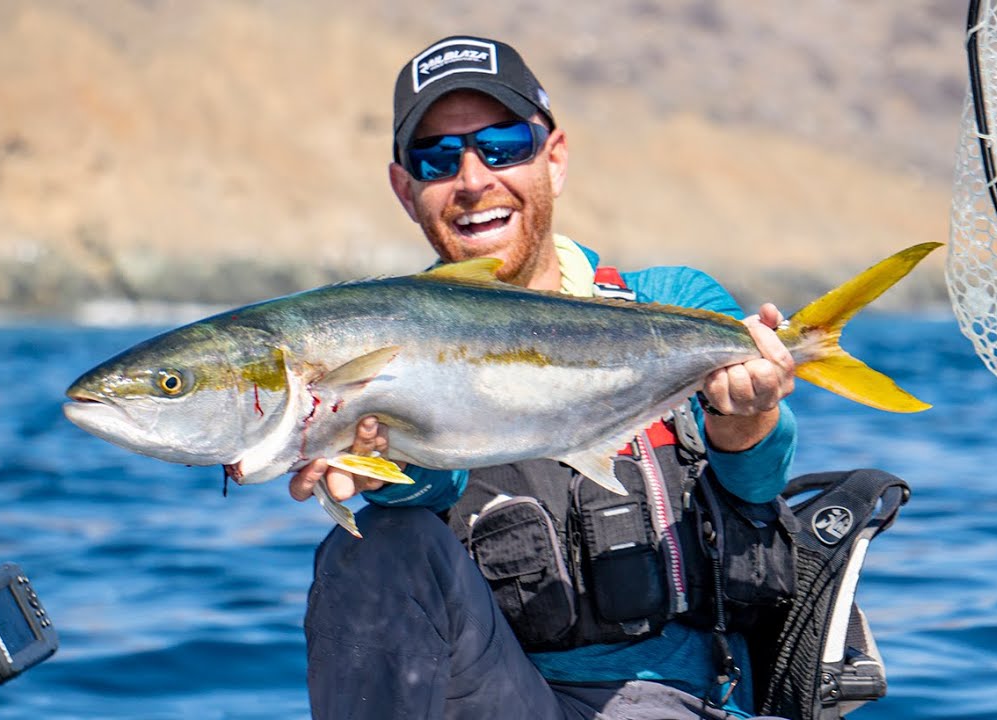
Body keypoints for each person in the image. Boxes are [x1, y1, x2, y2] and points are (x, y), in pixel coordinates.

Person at [289, 35, 798, 720]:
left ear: (553, 159)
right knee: (371, 548)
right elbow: (439, 489)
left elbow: (758, 485)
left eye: (502, 145)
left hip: (669, 697)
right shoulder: (388, 340)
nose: (473, 180)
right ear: (405, 189)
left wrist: (749, 415)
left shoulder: (669, 301)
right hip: (496, 694)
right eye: (438, 158)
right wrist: (393, 471)